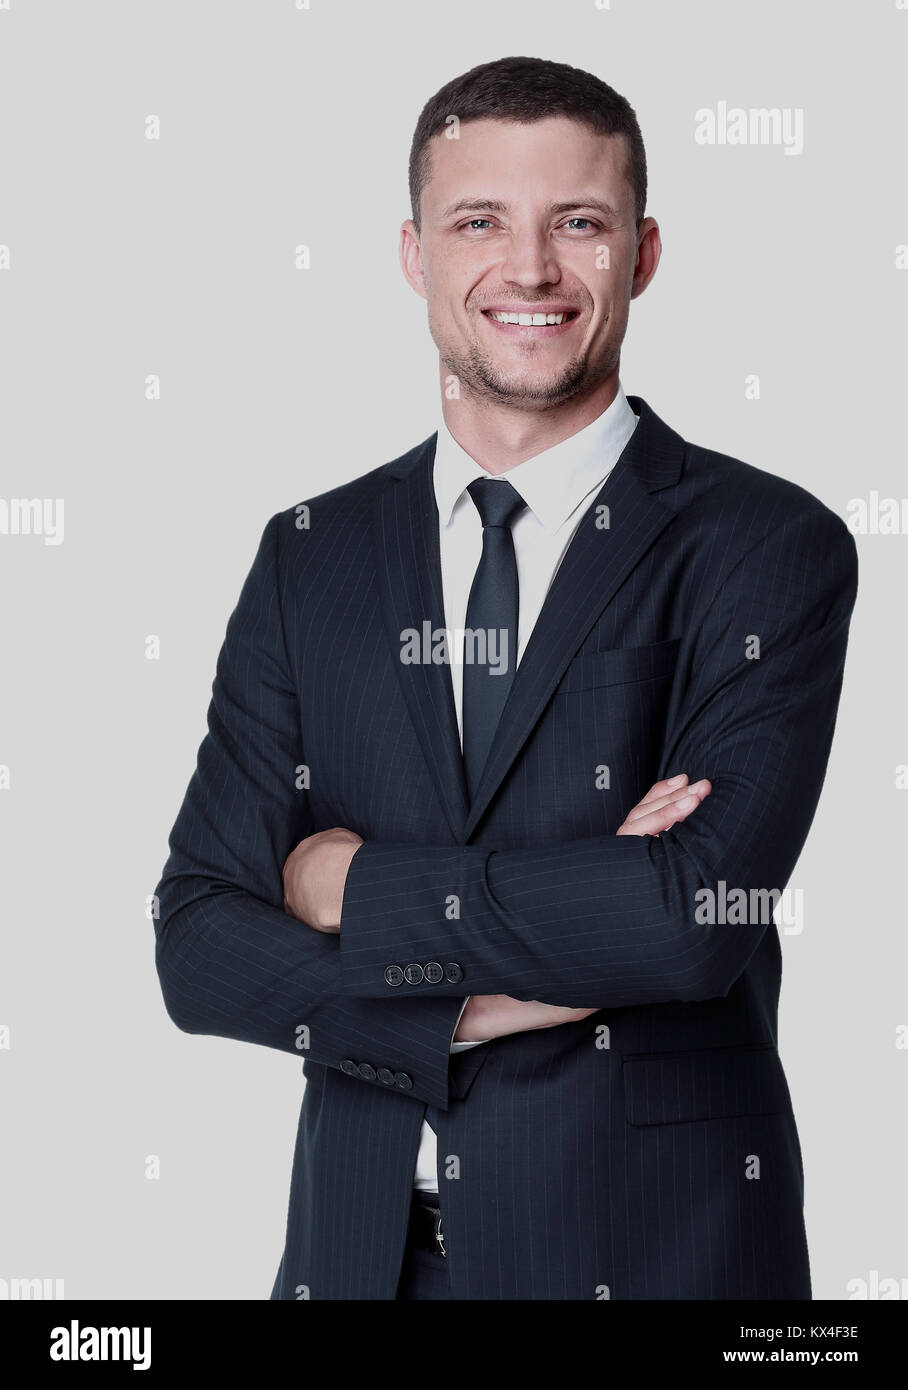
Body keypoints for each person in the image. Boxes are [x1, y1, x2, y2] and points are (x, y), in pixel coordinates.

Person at [153, 55, 858, 1300]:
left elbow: (692, 918)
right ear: (416, 253)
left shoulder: (764, 545)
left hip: (657, 1263)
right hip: (359, 1260)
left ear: (639, 254)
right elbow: (200, 943)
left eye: (574, 224)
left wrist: (344, 884)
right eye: (479, 221)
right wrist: (475, 999)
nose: (527, 269)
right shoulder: (309, 557)